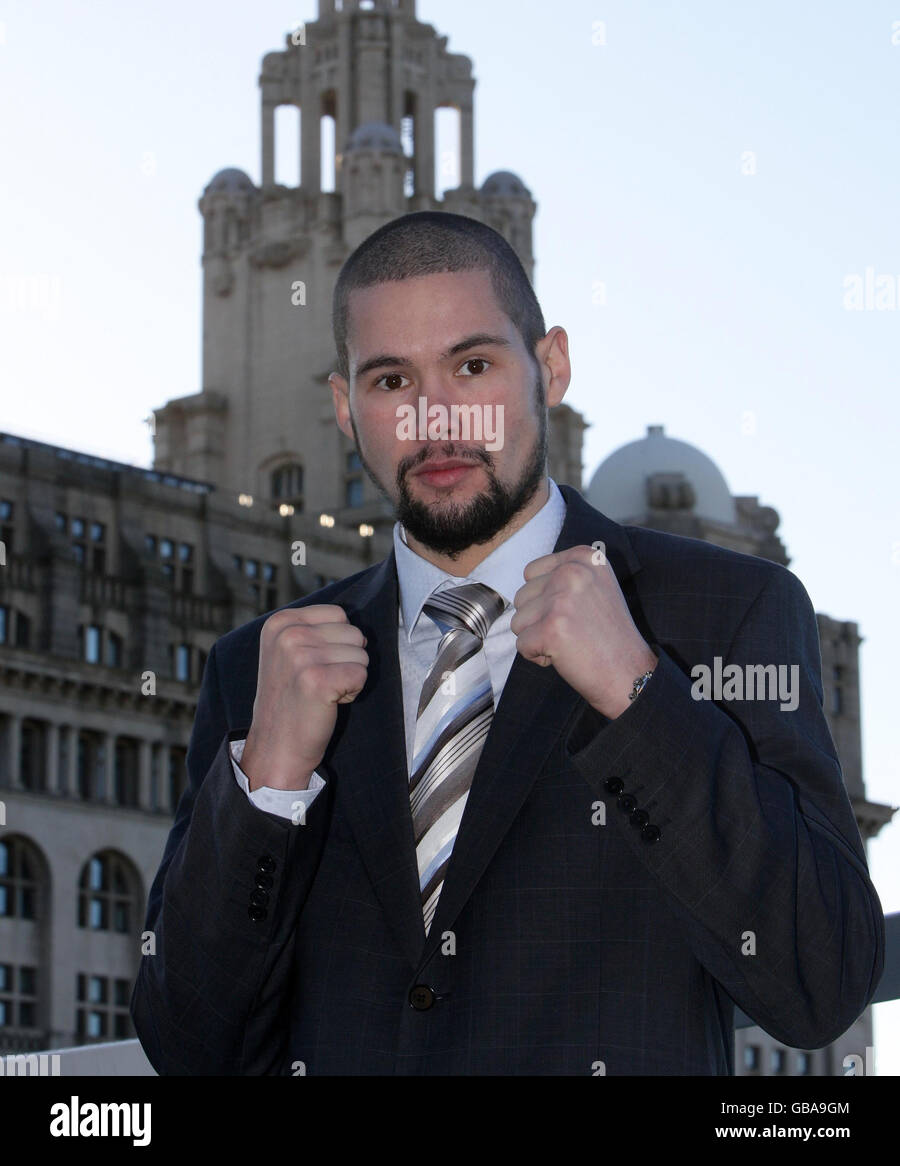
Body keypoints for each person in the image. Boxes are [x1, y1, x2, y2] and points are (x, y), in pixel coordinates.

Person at [131, 211, 884, 1076]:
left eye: (473, 365)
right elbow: (187, 1043)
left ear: (551, 368)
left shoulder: (725, 612)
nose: (436, 417)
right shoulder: (259, 668)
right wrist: (265, 792)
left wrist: (641, 699)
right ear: (344, 408)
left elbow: (822, 984)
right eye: (389, 381)